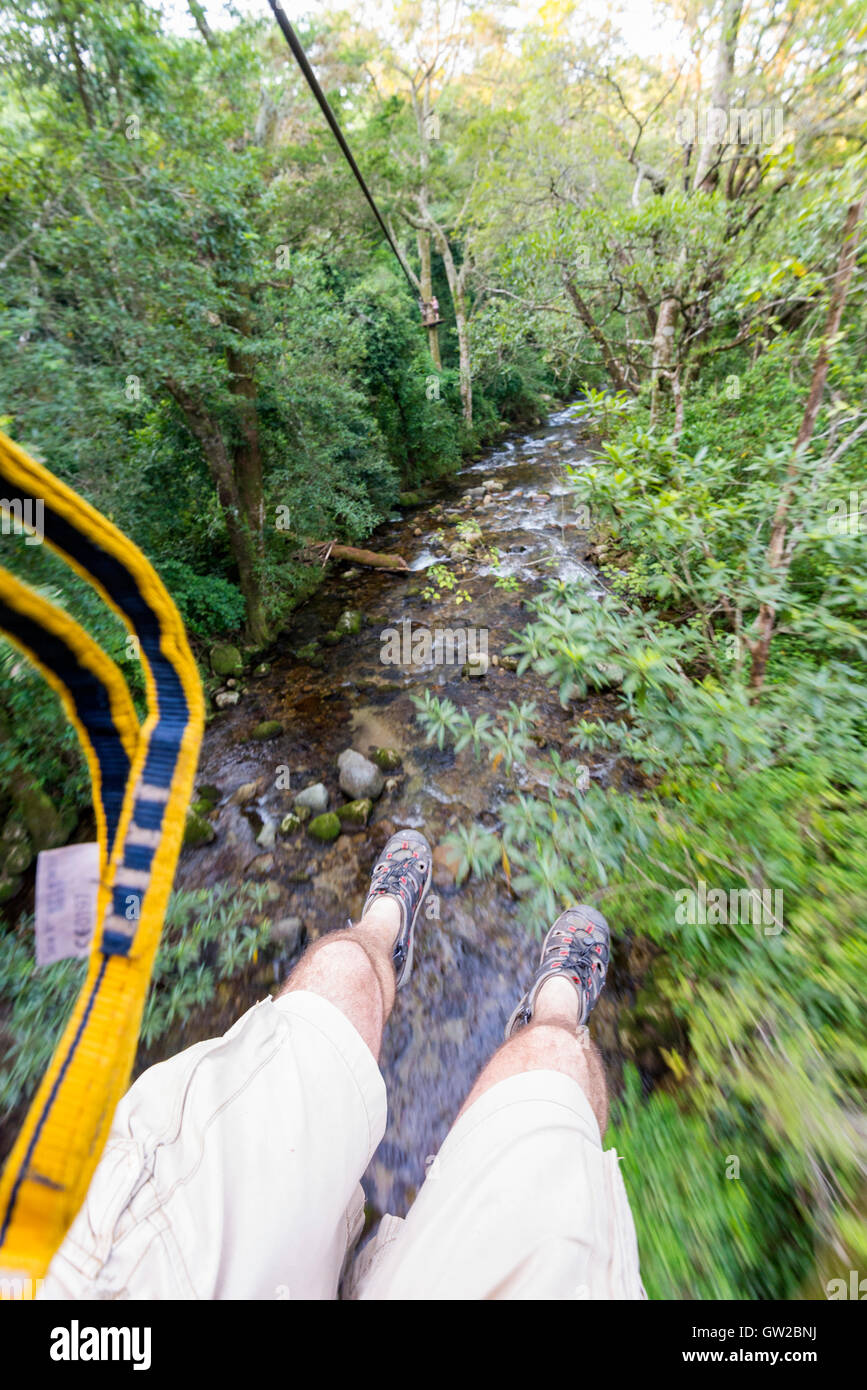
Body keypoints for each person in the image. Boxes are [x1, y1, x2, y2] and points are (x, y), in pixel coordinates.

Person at [40, 829, 645, 1301]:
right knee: (554, 1069)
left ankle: (382, 929)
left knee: (346, 977)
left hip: (125, 1274)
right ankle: (554, 1011)